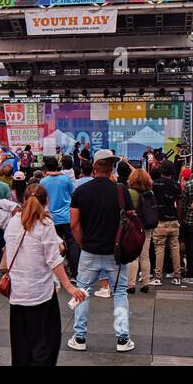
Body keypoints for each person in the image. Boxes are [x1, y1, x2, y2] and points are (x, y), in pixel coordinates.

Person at [4, 183, 87, 366]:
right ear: (46, 201)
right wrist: (69, 286)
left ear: (23, 200)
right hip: (41, 294)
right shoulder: (45, 224)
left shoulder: (13, 222)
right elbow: (53, 260)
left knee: (20, 349)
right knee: (45, 347)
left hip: (18, 294)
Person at [68, 149, 134, 352]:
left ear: (95, 167)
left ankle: (79, 337)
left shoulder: (81, 191)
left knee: (82, 291)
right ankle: (122, 339)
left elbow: (74, 225)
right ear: (112, 167)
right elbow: (130, 221)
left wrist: (82, 244)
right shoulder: (121, 191)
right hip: (116, 252)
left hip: (89, 250)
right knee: (120, 292)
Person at [39, 155, 78, 281]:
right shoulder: (66, 179)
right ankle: (75, 273)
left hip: (52, 218)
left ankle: (56, 274)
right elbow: (74, 195)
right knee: (72, 244)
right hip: (67, 216)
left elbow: (42, 200)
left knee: (55, 246)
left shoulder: (43, 182)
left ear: (45, 167)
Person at [150, 159, 183, 287]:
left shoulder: (155, 184)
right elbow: (179, 205)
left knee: (159, 249)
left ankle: (158, 277)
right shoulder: (176, 185)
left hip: (160, 221)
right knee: (175, 249)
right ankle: (177, 277)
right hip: (174, 220)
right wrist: (178, 219)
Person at [125, 165, 154, 293]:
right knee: (145, 255)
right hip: (147, 227)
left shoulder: (130, 193)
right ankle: (146, 282)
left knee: (133, 256)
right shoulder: (150, 193)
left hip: (133, 227)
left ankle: (131, 284)